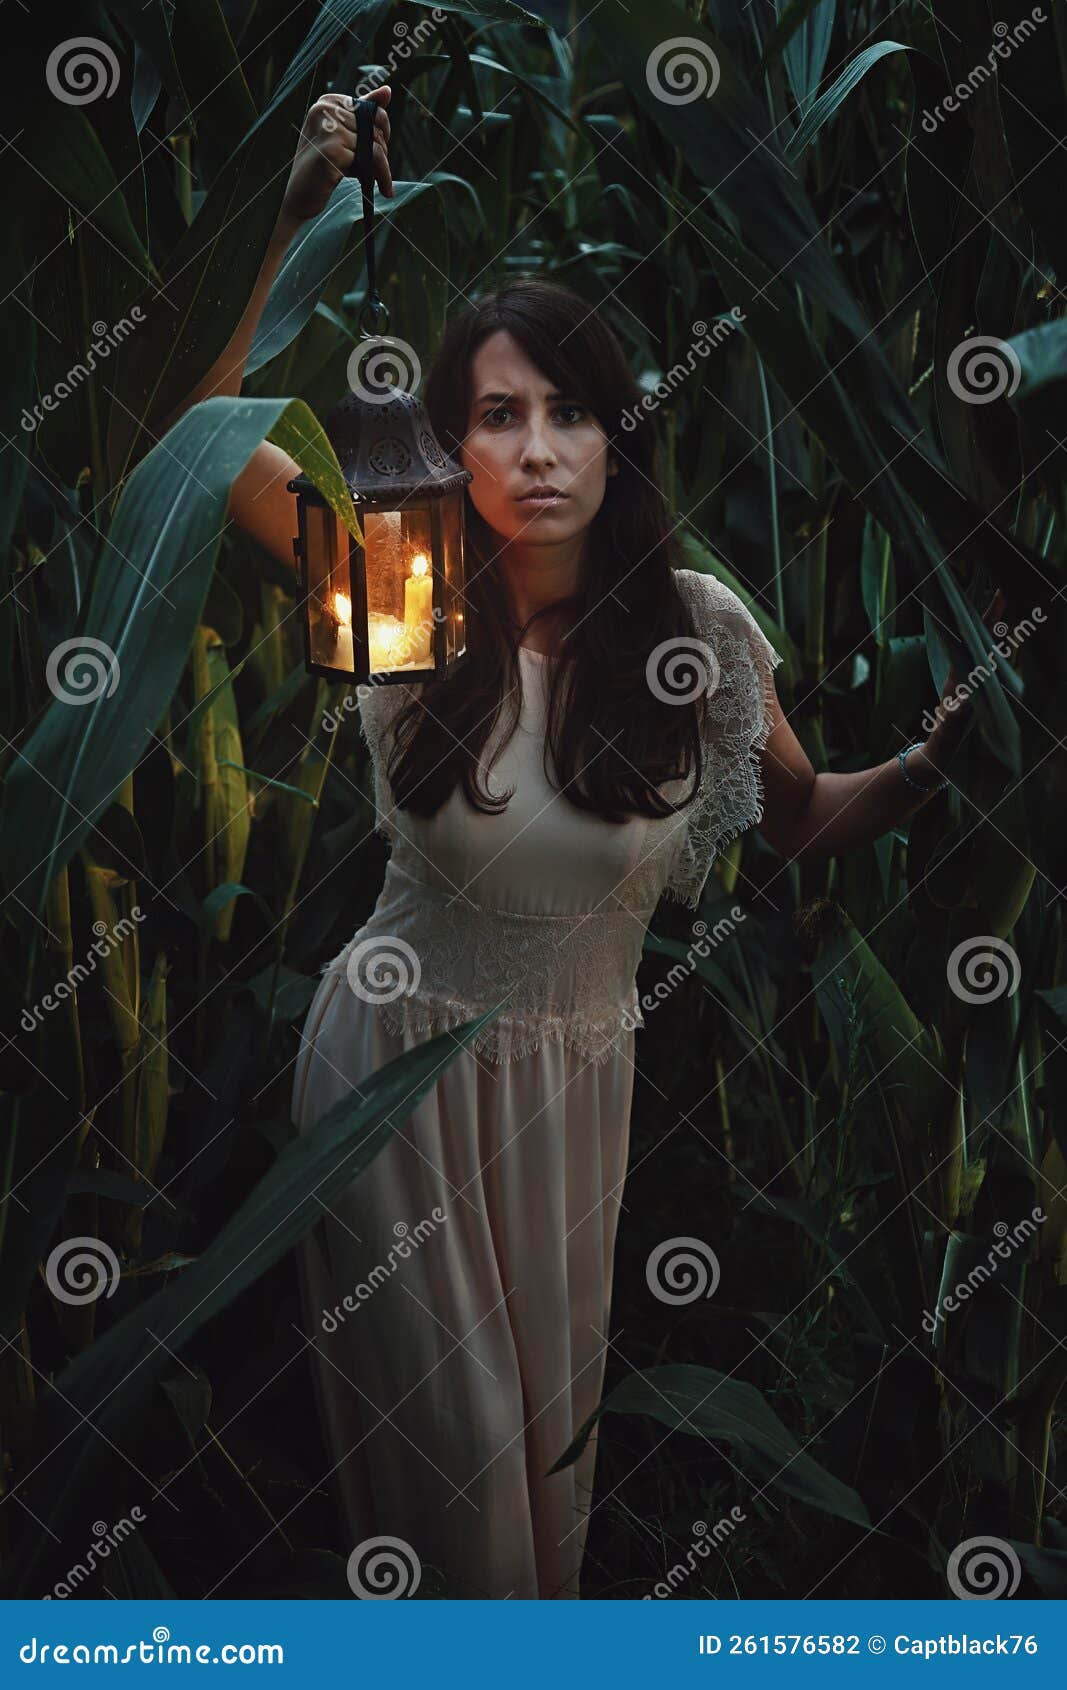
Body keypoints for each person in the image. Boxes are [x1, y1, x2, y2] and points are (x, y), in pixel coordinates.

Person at [168, 88, 986, 1598]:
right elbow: (200, 441)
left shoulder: (700, 636)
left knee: (547, 1511)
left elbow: (800, 818)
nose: (537, 448)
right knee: (468, 1491)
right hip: (389, 1087)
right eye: (495, 413)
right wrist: (287, 218)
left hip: (577, 1095)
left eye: (570, 410)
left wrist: (934, 766)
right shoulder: (399, 595)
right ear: (450, 444)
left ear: (622, 436)